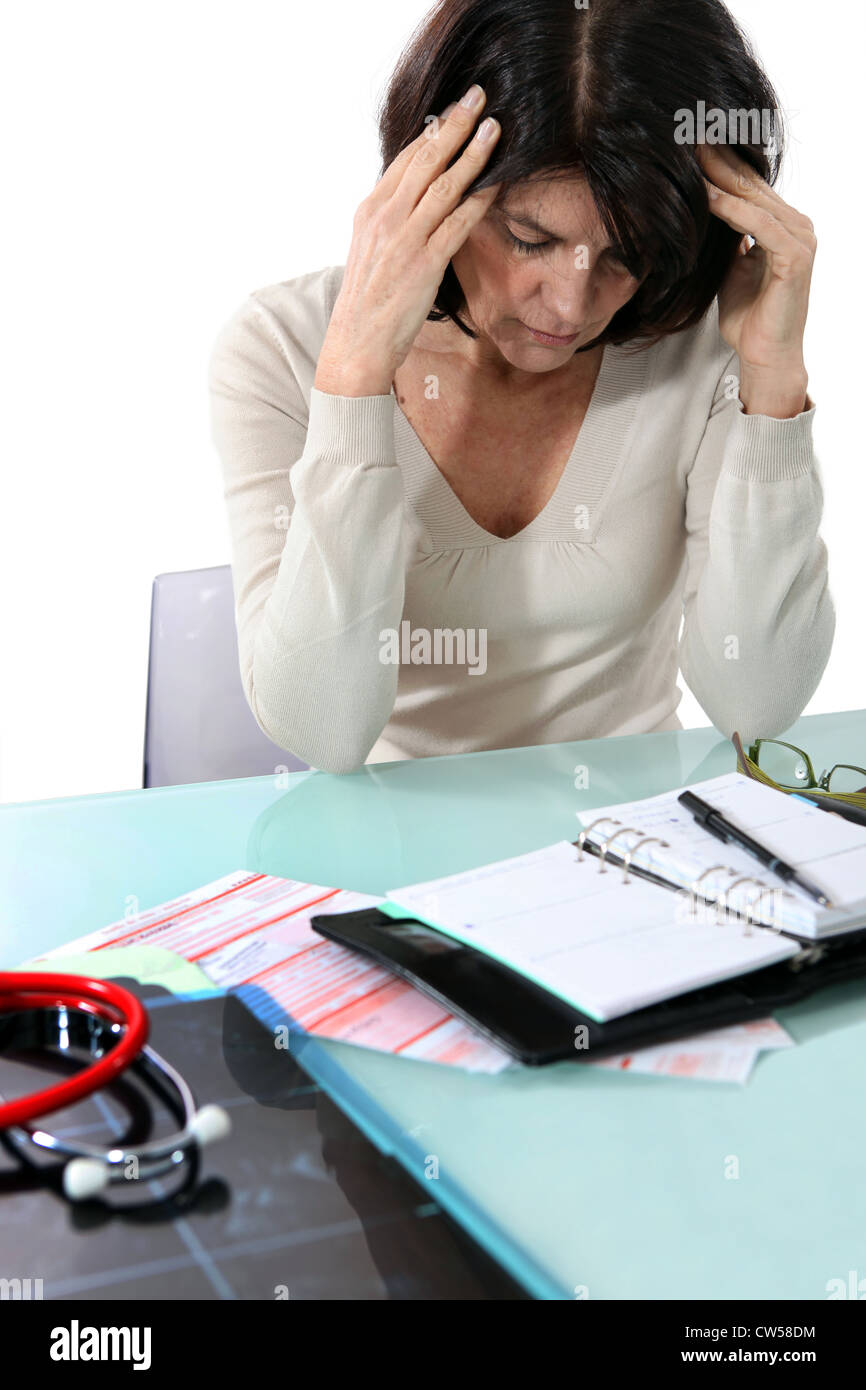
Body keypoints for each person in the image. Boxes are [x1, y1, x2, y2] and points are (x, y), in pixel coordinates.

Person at [208, 0, 833, 775]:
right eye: (530, 239)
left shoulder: (698, 349)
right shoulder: (283, 349)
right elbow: (321, 732)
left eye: (625, 254)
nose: (571, 307)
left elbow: (756, 706)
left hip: (632, 855)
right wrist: (355, 381)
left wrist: (772, 386)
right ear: (428, 180)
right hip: (389, 862)